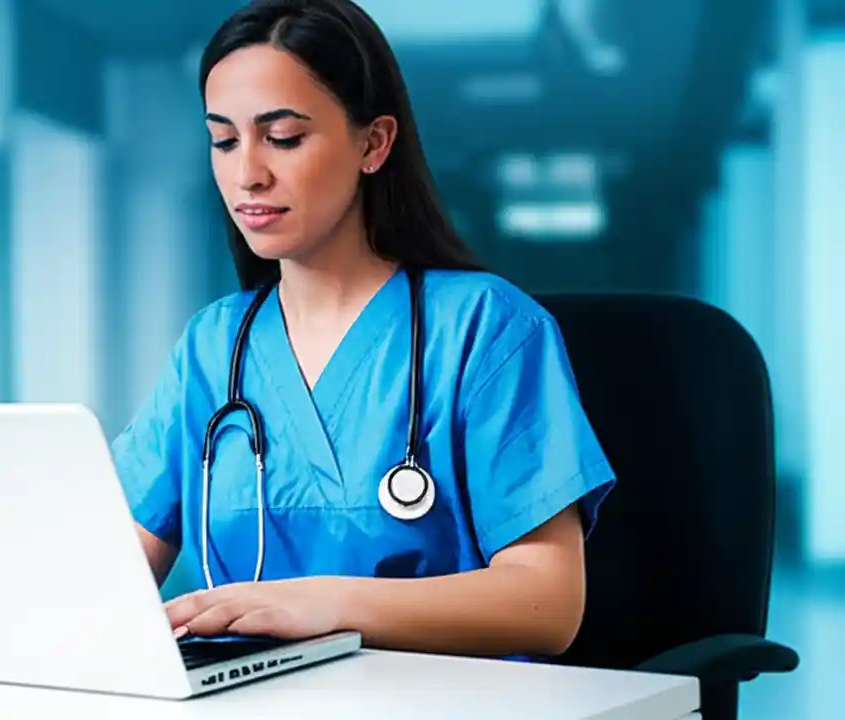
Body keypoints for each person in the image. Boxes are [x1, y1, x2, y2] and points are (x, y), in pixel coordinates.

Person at [111, 0, 615, 659]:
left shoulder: (485, 329)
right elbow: (109, 579)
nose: (248, 174)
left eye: (283, 137)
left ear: (373, 143)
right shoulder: (212, 348)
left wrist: (323, 606)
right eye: (225, 140)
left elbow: (547, 604)